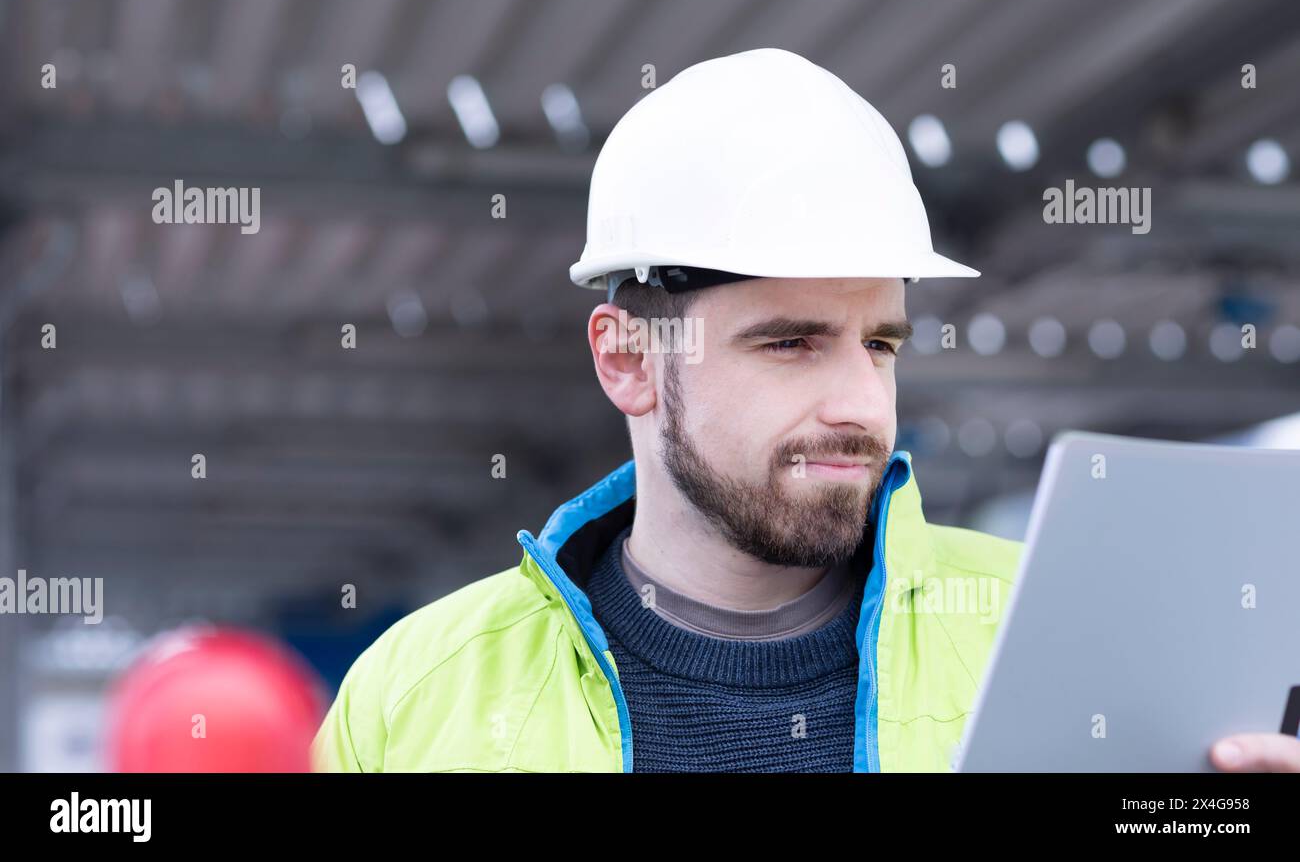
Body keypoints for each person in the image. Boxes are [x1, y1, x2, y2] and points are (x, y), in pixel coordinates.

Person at [311, 48, 1298, 773]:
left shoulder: (1070, 634)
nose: (862, 406)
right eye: (789, 342)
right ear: (628, 359)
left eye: (880, 342)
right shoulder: (413, 702)